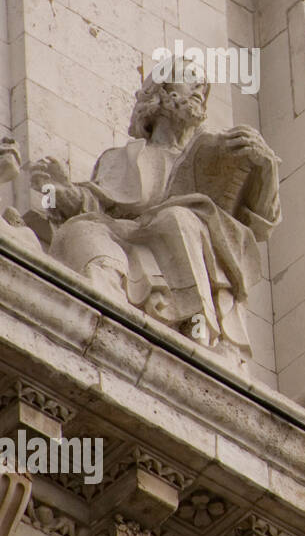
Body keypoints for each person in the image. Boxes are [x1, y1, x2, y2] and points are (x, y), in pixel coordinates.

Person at [26, 55, 280, 369]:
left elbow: (260, 226)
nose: (200, 88)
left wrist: (266, 168)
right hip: (134, 233)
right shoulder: (124, 157)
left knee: (178, 218)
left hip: (190, 234)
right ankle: (108, 319)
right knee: (81, 230)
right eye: (190, 78)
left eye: (203, 85)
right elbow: (92, 202)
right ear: (159, 93)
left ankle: (202, 334)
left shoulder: (212, 155)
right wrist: (54, 190)